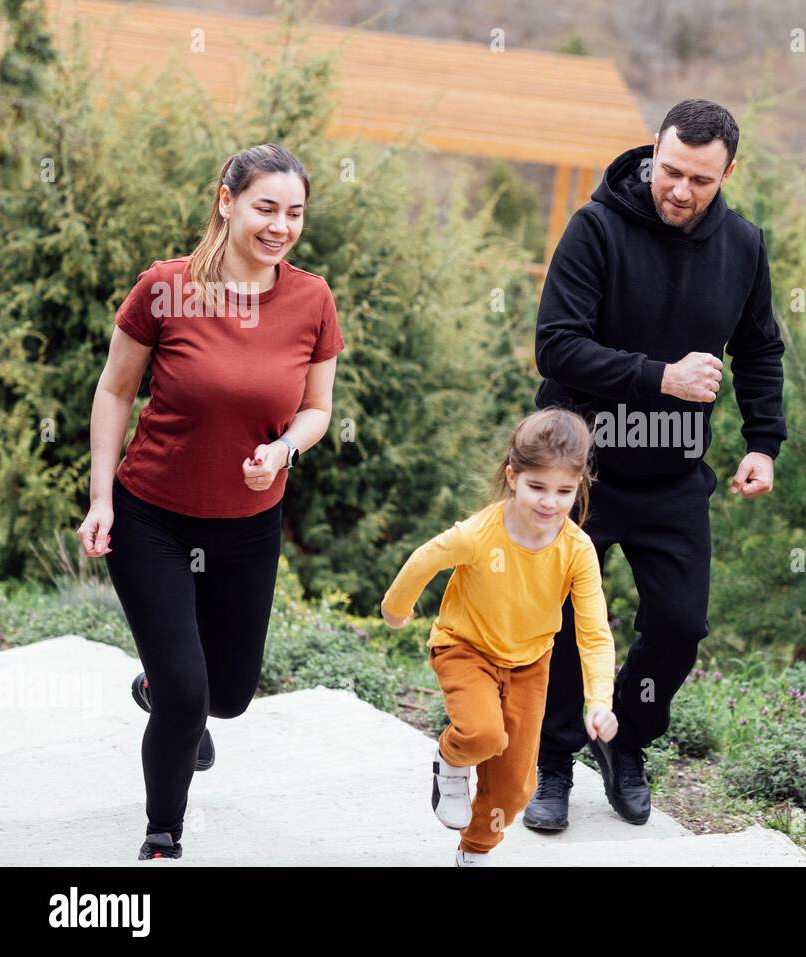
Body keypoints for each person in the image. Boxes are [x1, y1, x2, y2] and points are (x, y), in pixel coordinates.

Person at [77, 143, 346, 861]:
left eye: (294, 212)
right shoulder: (164, 289)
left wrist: (285, 448)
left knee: (227, 696)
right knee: (186, 694)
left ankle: (159, 684)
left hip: (249, 527)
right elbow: (114, 391)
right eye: (265, 207)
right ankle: (163, 833)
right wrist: (101, 497)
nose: (280, 225)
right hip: (151, 517)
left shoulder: (312, 299)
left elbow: (318, 409)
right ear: (225, 201)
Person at [526, 99, 787, 830]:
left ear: (727, 172)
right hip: (577, 470)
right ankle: (552, 763)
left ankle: (626, 741)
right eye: (671, 170)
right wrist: (658, 376)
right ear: (654, 153)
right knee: (560, 622)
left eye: (700, 179)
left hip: (673, 475)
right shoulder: (597, 228)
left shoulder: (742, 244)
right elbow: (556, 346)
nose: (680, 189)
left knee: (680, 624)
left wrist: (763, 442)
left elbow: (760, 348)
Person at [380, 408, 617, 867]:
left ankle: (473, 851)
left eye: (565, 491)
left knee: (515, 788)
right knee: (482, 734)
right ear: (513, 476)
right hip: (465, 648)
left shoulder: (577, 550)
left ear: (579, 486)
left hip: (530, 663)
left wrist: (599, 698)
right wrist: (396, 608)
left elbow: (594, 630)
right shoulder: (479, 533)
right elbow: (425, 559)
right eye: (537, 487)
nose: (550, 502)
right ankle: (450, 758)